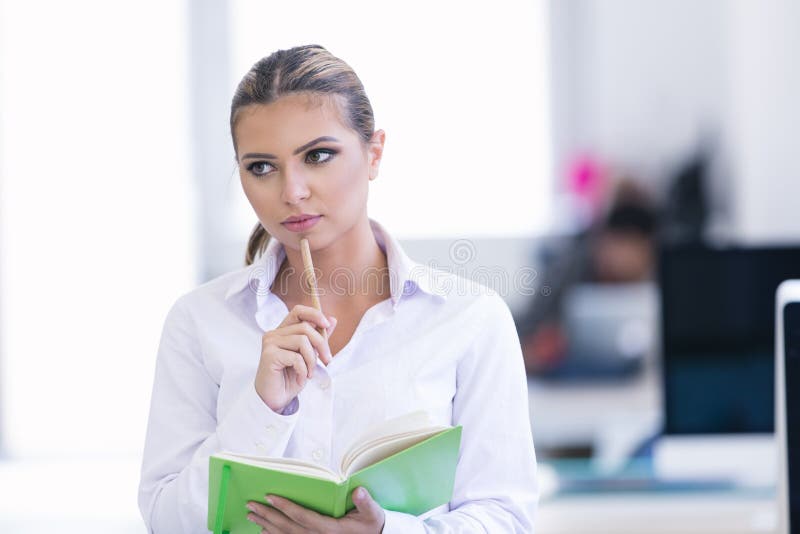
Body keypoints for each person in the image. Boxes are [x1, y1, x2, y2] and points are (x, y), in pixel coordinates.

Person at [137, 44, 538, 533]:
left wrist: (387, 532)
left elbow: (507, 519)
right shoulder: (199, 321)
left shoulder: (470, 318)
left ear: (374, 153)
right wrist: (262, 408)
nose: (293, 191)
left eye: (319, 155)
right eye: (261, 167)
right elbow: (167, 521)